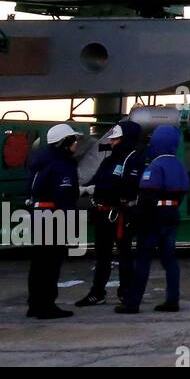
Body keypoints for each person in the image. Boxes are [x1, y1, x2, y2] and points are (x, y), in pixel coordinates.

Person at [117, 126, 189, 314]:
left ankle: (133, 303)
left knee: (143, 260)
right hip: (172, 214)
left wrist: (136, 217)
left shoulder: (155, 166)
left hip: (153, 218)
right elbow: (182, 193)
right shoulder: (179, 166)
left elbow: (147, 196)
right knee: (170, 261)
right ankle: (172, 300)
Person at [75, 120, 146, 307]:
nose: (112, 142)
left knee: (125, 255)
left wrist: (98, 189)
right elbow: (100, 180)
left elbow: (128, 187)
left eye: (116, 139)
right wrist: (94, 189)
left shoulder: (133, 159)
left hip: (120, 214)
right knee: (102, 256)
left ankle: (126, 292)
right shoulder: (109, 159)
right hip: (102, 213)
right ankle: (97, 292)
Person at [26, 123, 82, 319]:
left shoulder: (40, 161)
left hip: (39, 214)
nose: (76, 143)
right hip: (54, 217)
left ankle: (35, 304)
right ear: (64, 142)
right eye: (73, 140)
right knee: (51, 264)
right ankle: (46, 306)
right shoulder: (62, 164)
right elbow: (66, 195)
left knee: (39, 263)